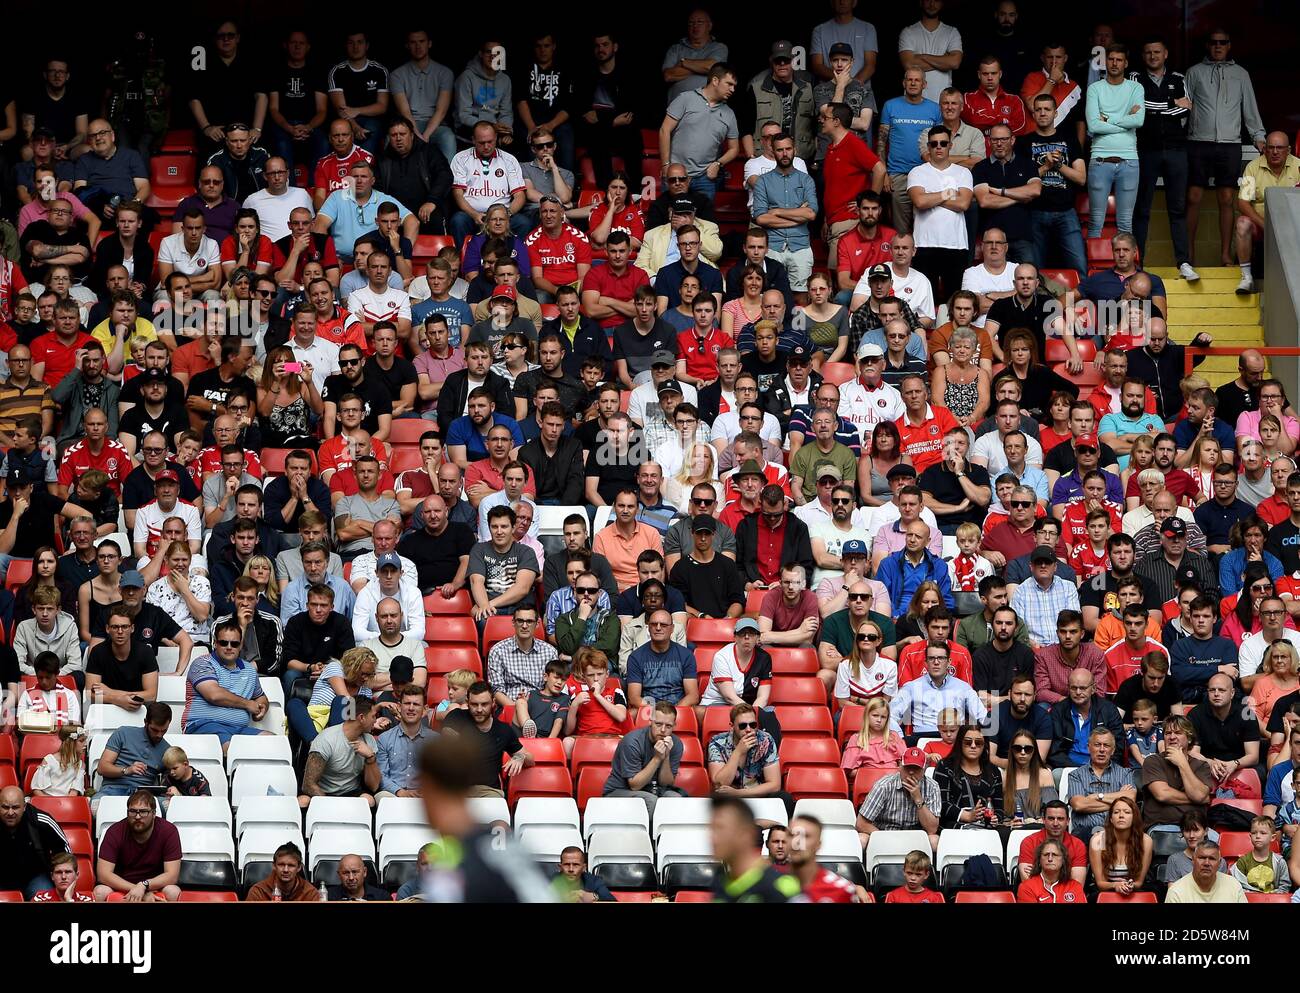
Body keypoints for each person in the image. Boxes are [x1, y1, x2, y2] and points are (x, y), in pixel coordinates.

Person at [1183, 30, 1265, 272]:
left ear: (1229, 46)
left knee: (1227, 199)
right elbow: (1183, 107)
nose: (1218, 46)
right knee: (1194, 197)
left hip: (1230, 143)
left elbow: (1249, 107)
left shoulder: (1241, 74)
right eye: (1214, 42)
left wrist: (1259, 136)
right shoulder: (1194, 72)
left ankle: (1225, 255)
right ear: (1207, 45)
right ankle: (1188, 255)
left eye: (1223, 43)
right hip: (1198, 141)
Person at [181, 618, 271, 745]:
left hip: (239, 730)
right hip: (203, 725)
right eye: (224, 643)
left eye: (234, 644)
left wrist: (262, 707)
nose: (229, 647)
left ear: (241, 645)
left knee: (274, 742)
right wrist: (247, 704)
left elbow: (260, 697)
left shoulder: (249, 670)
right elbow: (214, 695)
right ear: (215, 644)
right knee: (233, 748)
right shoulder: (202, 663)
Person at [92, 788, 182, 902]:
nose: (138, 816)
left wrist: (144, 886)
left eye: (143, 811)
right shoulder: (115, 831)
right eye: (133, 811)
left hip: (154, 885)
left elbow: (172, 876)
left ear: (154, 813)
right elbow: (103, 874)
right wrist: (137, 889)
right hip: (122, 886)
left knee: (173, 891)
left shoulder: (168, 831)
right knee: (100, 891)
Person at [602, 700, 686, 817]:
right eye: (658, 724)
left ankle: (667, 834)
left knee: (675, 798)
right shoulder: (632, 741)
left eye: (668, 726)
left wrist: (666, 756)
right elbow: (635, 785)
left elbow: (666, 784)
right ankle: (651, 835)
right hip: (619, 791)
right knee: (650, 800)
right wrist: (657, 758)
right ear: (650, 722)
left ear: (674, 726)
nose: (663, 730)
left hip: (653, 790)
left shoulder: (675, 744)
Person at [711, 796, 802, 902]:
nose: (712, 837)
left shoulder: (782, 887)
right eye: (712, 828)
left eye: (720, 828)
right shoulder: (719, 882)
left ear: (746, 834)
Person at [706, 703, 792, 813]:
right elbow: (720, 783)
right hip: (730, 799)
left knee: (784, 798)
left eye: (752, 725)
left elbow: (774, 785)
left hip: (757, 795)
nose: (748, 729)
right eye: (742, 726)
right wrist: (738, 752)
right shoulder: (717, 742)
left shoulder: (765, 740)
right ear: (732, 726)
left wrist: (739, 793)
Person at [855, 745, 942, 850]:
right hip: (884, 834)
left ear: (924, 769)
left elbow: (932, 829)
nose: (911, 772)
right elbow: (861, 823)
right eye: (908, 767)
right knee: (861, 839)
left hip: (915, 838)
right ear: (900, 766)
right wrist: (887, 839)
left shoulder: (932, 787)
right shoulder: (884, 785)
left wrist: (918, 799)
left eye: (916, 768)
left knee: (934, 840)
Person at [1140, 714, 1216, 829]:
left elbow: (1199, 795)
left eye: (1178, 733)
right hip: (1163, 827)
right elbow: (1163, 794)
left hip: (1197, 828)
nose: (1172, 737)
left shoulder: (1201, 765)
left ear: (1189, 738)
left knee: (1215, 841)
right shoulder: (1153, 761)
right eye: (1168, 733)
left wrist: (1182, 763)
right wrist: (1198, 800)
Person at [0, 786, 71, 899]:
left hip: (36, 876)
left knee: (47, 898)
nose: (10, 812)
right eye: (5, 807)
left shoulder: (40, 820)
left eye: (15, 807)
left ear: (24, 806)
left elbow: (64, 852)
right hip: (2, 878)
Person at [95, 702, 172, 799]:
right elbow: (102, 768)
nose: (159, 735)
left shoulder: (167, 751)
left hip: (145, 795)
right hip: (113, 789)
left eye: (164, 730)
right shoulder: (123, 733)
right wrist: (127, 770)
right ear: (145, 722)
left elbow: (173, 777)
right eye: (155, 730)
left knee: (167, 805)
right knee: (96, 805)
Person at [1166, 839, 1249, 903]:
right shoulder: (1176, 891)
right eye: (1202, 858)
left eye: (1212, 859)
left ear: (1219, 863)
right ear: (1193, 860)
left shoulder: (1233, 885)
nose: (1206, 863)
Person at [245, 842, 323, 902]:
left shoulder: (310, 893)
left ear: (299, 867)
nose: (286, 870)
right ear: (274, 866)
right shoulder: (258, 891)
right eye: (281, 865)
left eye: (291, 865)